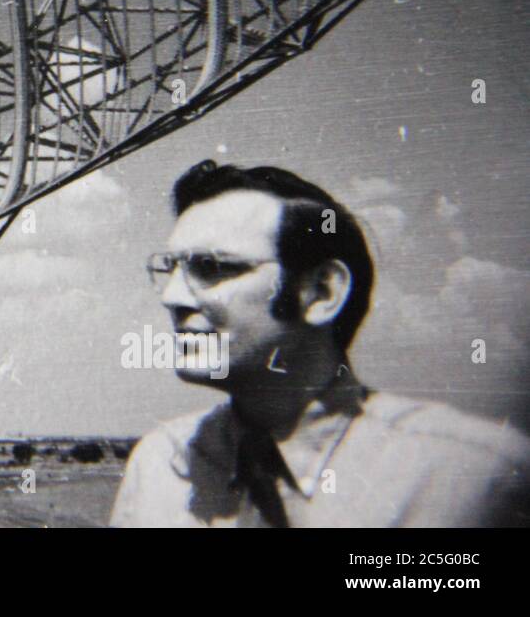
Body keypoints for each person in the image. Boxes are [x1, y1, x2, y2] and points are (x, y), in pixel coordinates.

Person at [110, 160, 530, 527]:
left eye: (211, 267)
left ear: (322, 292)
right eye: (170, 268)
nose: (172, 297)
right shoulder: (159, 465)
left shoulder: (476, 480)